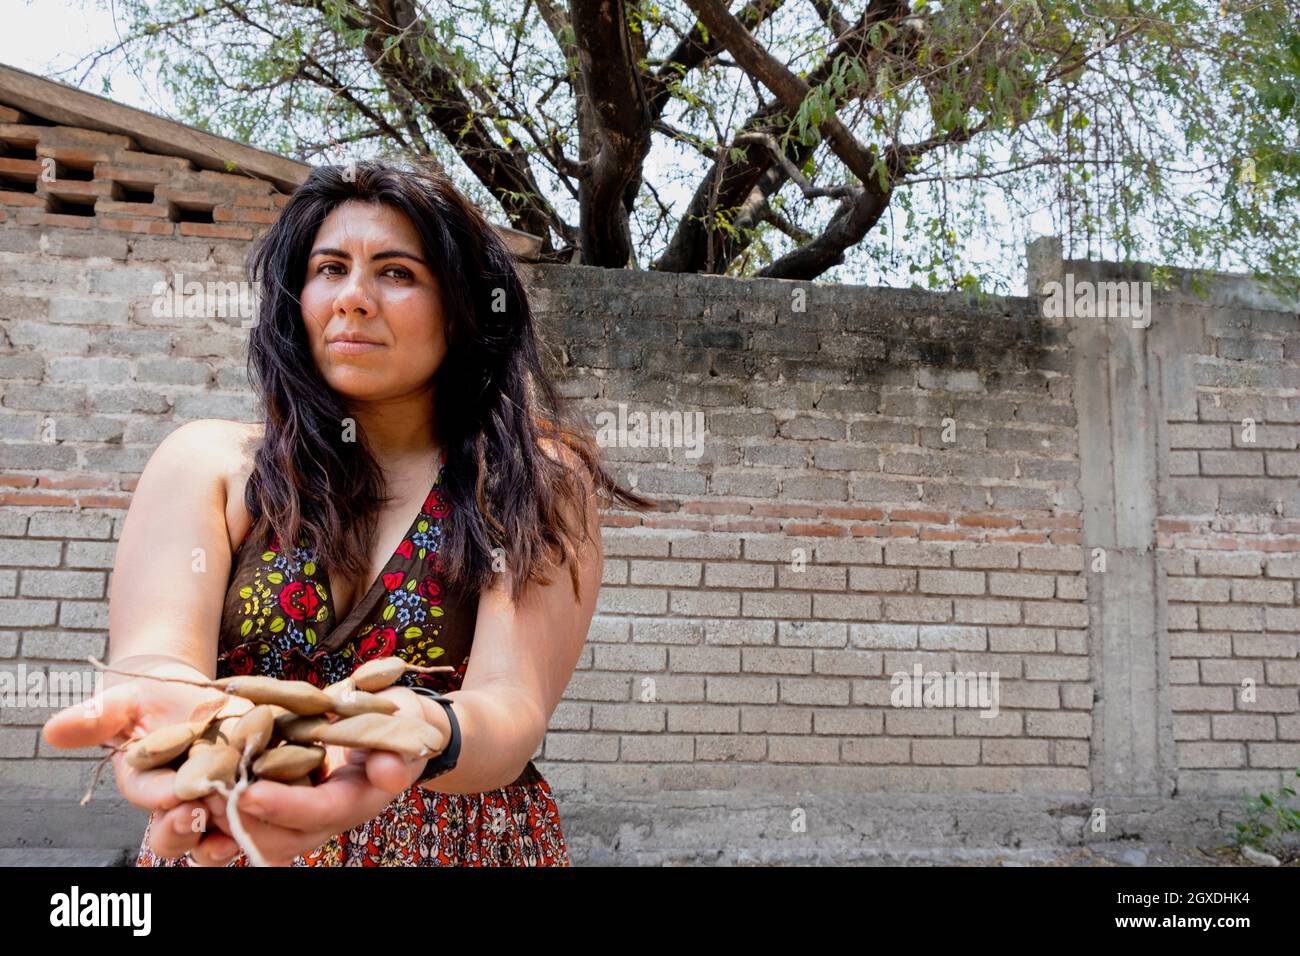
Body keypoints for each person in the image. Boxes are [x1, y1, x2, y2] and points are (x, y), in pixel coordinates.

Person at [42, 157, 650, 866]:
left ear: (461, 308)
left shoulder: (528, 481)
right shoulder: (208, 465)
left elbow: (510, 707)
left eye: (397, 273)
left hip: (459, 848)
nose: (353, 298)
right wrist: (167, 705)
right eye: (330, 269)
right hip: (233, 831)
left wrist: (424, 732)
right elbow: (157, 653)